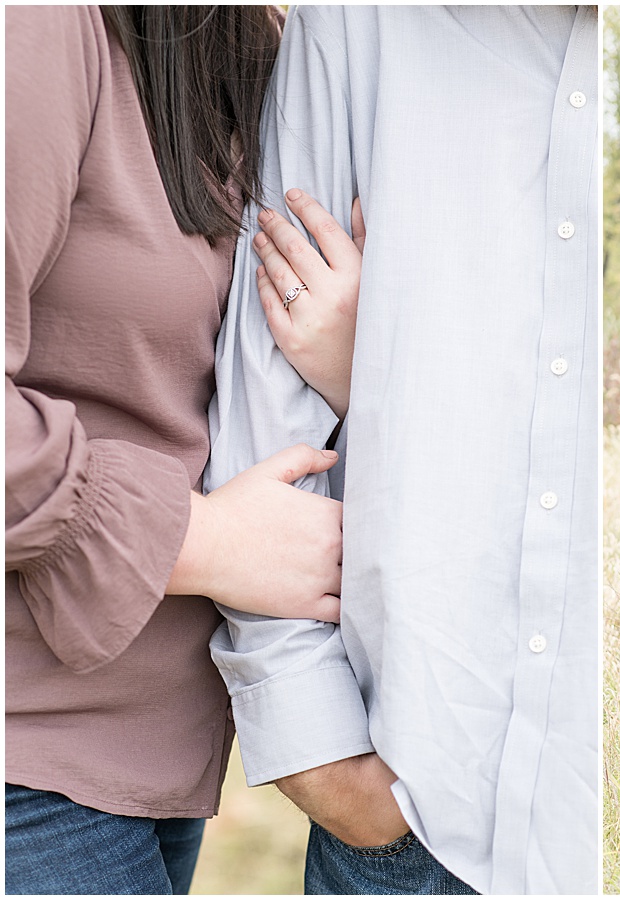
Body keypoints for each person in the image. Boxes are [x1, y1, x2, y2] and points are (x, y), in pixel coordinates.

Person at [203, 6, 599, 894]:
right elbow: (263, 435)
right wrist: (330, 770)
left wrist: (376, 378)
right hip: (424, 815)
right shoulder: (359, 26)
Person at [4, 6, 348, 895]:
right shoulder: (43, 26)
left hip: (149, 773)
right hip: (27, 759)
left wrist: (353, 368)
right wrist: (205, 542)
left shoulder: (254, 46)